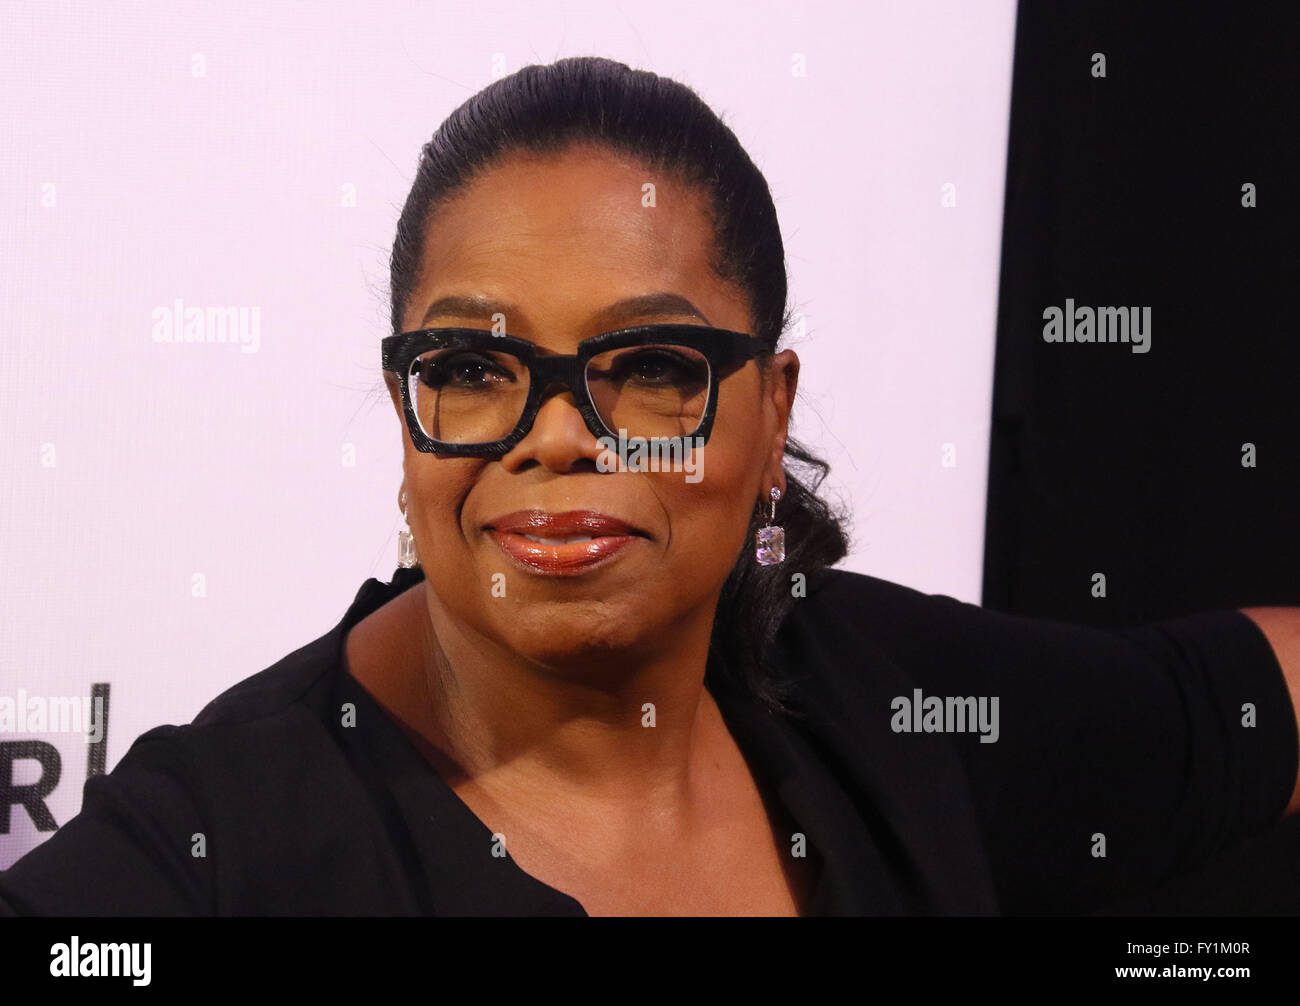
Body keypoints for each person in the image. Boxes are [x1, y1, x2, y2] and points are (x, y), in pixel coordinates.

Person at [2, 56, 1298, 917]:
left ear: (770, 408)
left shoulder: (885, 698)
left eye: (648, 367)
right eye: (470, 362)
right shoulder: (216, 853)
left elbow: (1224, 704)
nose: (558, 436)